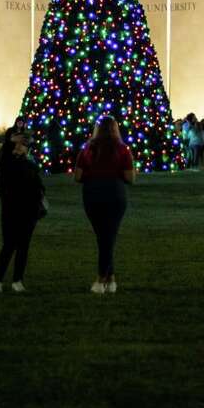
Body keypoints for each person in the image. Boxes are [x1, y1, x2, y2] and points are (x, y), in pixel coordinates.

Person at [73, 116, 133, 294]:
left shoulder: (87, 149)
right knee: (109, 236)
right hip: (115, 192)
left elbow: (77, 176)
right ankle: (106, 279)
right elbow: (130, 178)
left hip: (92, 193)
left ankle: (105, 278)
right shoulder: (122, 150)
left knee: (103, 236)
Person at [0, 134, 44, 292]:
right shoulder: (6, 163)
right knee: (9, 245)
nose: (21, 147)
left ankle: (17, 279)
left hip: (28, 211)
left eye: (24, 145)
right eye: (19, 144)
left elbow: (38, 187)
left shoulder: (29, 166)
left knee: (23, 246)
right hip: (11, 210)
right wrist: (13, 141)